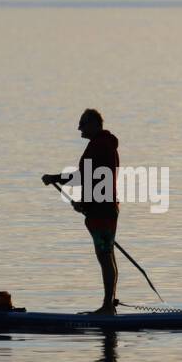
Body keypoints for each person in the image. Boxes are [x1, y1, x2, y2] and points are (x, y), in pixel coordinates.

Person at [42, 109, 120, 315]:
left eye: (83, 123)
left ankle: (107, 307)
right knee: (107, 256)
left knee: (105, 257)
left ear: (94, 123)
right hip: (104, 208)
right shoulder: (105, 144)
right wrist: (85, 204)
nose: (79, 128)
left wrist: (54, 178)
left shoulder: (98, 146)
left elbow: (83, 177)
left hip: (102, 211)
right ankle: (108, 305)